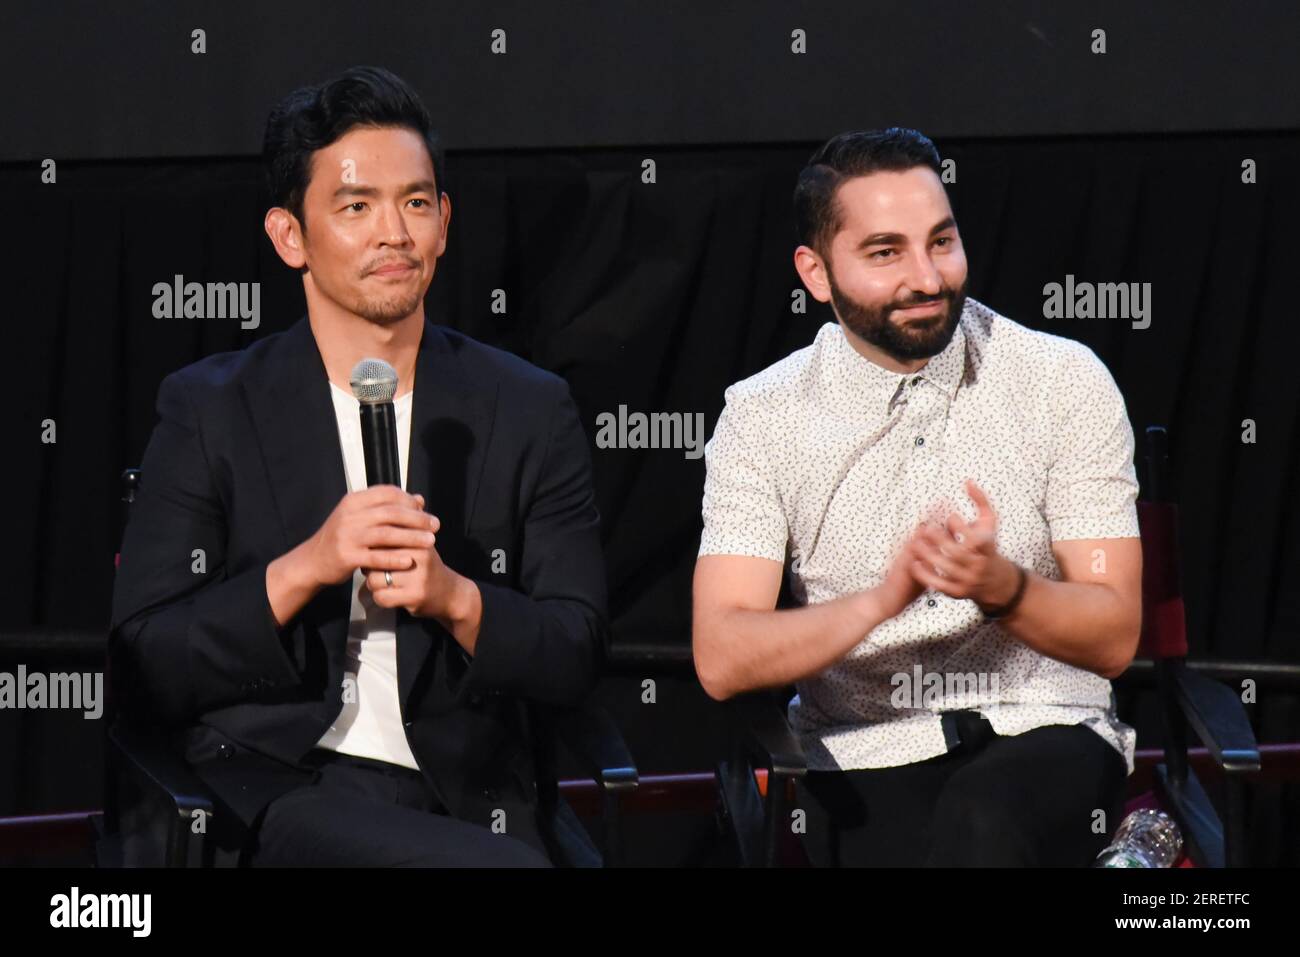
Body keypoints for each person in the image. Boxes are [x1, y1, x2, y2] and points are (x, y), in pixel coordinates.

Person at [110, 66, 607, 867]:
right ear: (289, 237)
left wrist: (459, 600)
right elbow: (146, 660)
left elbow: (577, 648)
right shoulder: (210, 407)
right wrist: (307, 566)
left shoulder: (527, 406)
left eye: (415, 202)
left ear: (444, 223)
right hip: (282, 789)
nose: (394, 234)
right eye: (355, 206)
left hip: (472, 795)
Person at [692, 128, 1141, 867]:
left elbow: (1115, 633)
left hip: (1048, 730)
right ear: (814, 271)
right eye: (885, 252)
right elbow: (722, 653)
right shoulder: (762, 416)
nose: (928, 277)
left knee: (983, 821)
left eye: (941, 241)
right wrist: (880, 600)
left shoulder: (1062, 380)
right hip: (865, 750)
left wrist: (1005, 590)